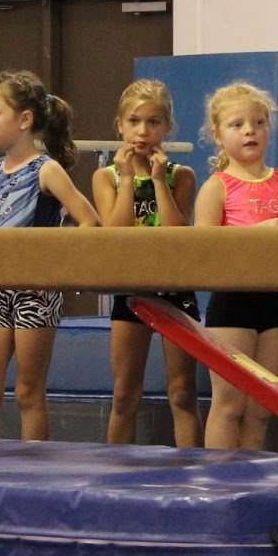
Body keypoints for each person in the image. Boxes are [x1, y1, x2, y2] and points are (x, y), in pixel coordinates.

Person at [0, 69, 101, 441]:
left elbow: (89, 222)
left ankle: (35, 473)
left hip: (37, 295)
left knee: (28, 393)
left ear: (25, 120)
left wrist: (55, 276)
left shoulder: (47, 170)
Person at [91, 79, 202, 449]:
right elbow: (115, 232)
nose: (143, 131)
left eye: (153, 122)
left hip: (175, 290)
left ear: (167, 127)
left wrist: (157, 181)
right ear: (120, 124)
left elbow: (176, 233)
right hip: (131, 292)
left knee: (183, 393)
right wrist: (126, 178)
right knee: (124, 394)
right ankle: (117, 472)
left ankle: (190, 472)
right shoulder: (105, 177)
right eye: (134, 121)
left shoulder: (180, 176)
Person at [194, 82, 278, 450]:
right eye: (236, 124)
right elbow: (203, 252)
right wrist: (263, 231)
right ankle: (220, 483)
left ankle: (252, 482)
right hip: (234, 301)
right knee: (229, 404)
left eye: (258, 122)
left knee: (263, 406)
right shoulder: (217, 186)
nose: (249, 130)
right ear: (217, 135)